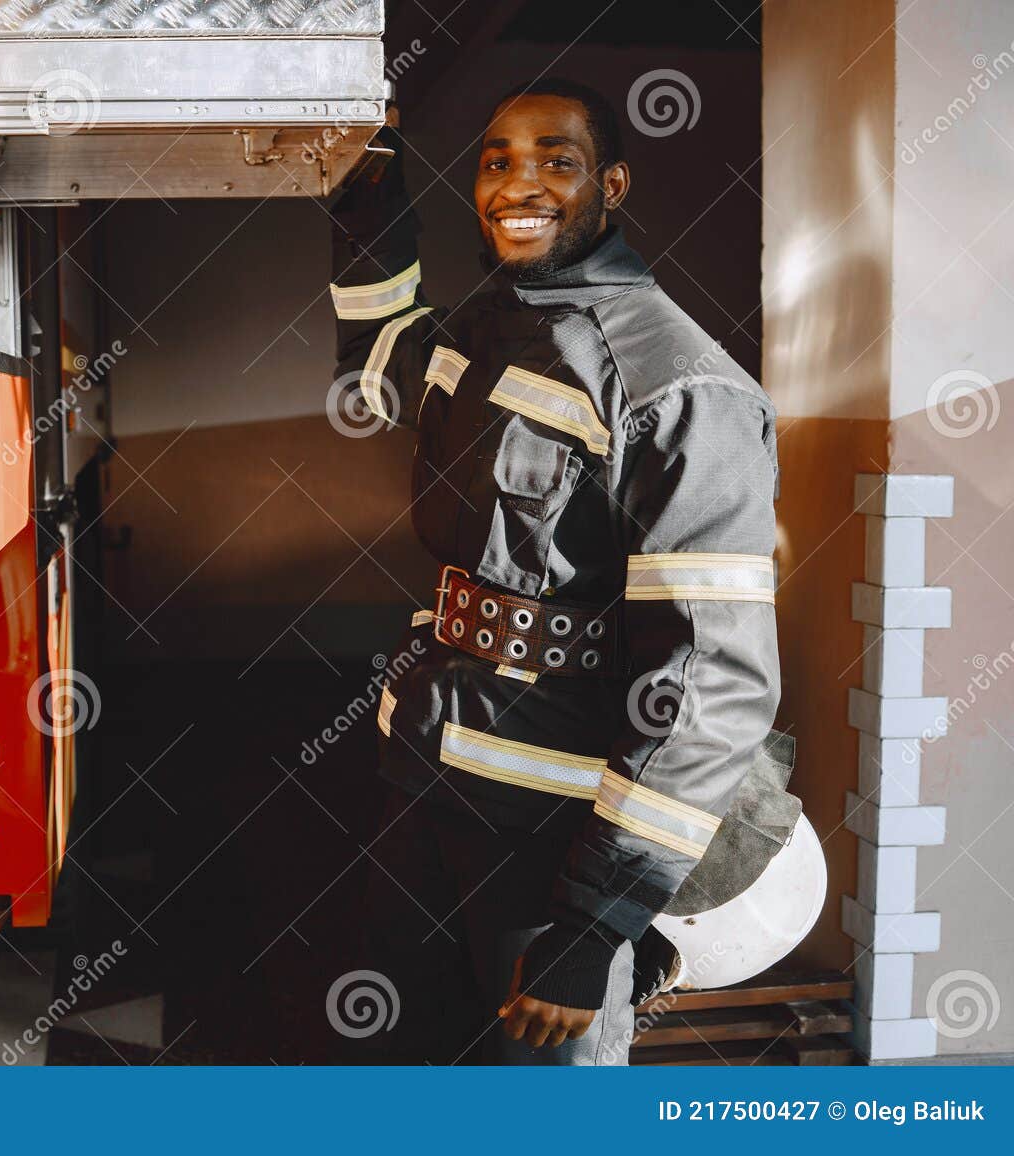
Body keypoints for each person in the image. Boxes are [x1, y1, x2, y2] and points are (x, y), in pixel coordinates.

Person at [331, 79, 780, 1065]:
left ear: (610, 185)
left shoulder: (681, 388)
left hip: (550, 839)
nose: (518, 183)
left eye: (556, 160)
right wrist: (366, 187)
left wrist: (594, 925)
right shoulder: (486, 329)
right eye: (497, 161)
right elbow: (378, 355)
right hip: (425, 776)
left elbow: (712, 683)